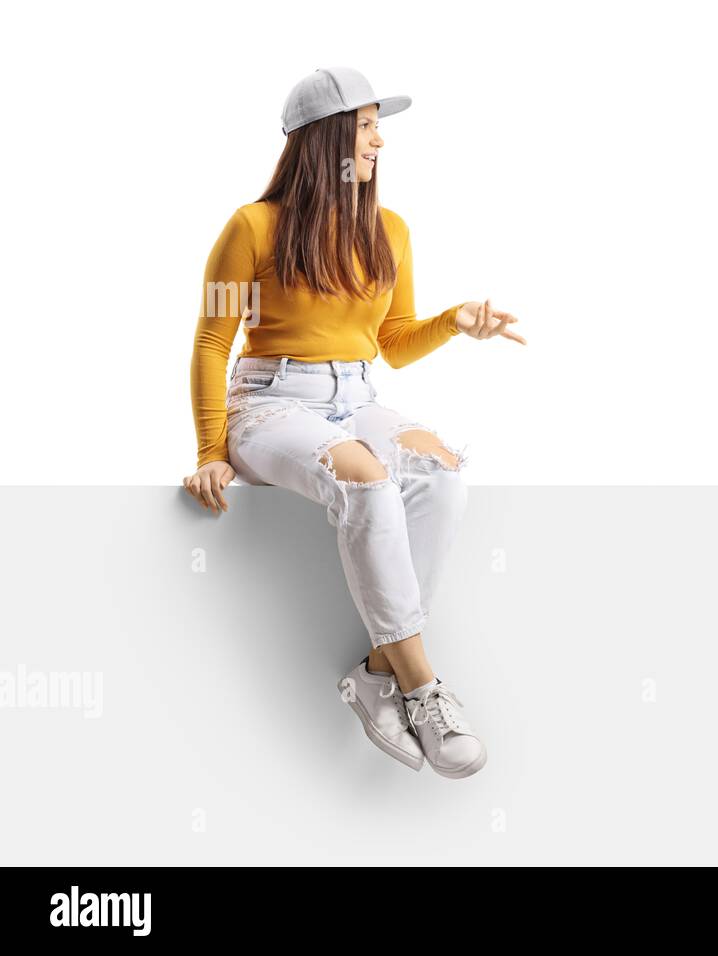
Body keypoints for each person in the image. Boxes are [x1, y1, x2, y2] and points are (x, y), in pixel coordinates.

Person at [182, 67, 525, 779]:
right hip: (271, 402)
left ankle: (376, 673)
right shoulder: (249, 227)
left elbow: (394, 341)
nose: (378, 143)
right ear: (327, 139)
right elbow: (213, 342)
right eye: (367, 127)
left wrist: (454, 324)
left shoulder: (390, 231)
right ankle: (424, 688)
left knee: (440, 473)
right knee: (366, 478)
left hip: (355, 393)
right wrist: (211, 449)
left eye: (378, 128)